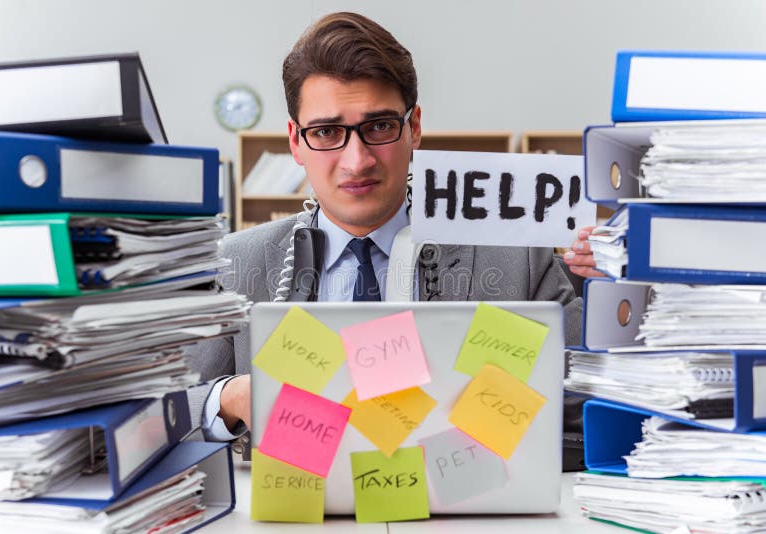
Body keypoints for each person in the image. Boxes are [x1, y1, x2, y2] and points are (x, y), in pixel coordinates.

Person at [185, 11, 598, 442]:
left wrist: (617, 294)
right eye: (327, 132)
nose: (357, 160)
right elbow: (154, 422)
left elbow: (590, 411)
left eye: (379, 126)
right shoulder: (230, 266)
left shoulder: (518, 259)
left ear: (414, 127)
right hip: (289, 507)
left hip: (465, 504)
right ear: (295, 141)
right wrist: (229, 399)